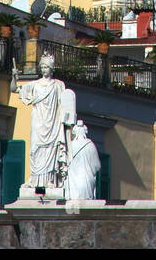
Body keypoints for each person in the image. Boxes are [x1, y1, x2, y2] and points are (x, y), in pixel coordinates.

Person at [15, 52, 67, 189]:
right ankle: (34, 180)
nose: (44, 70)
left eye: (47, 67)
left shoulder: (58, 85)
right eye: (42, 67)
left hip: (53, 123)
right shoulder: (34, 85)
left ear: (52, 69)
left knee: (51, 150)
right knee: (35, 150)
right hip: (38, 123)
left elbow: (66, 104)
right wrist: (14, 77)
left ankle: (50, 180)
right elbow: (14, 89)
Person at [65, 120, 101, 200]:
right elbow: (97, 166)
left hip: (73, 185)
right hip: (87, 182)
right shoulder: (91, 145)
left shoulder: (71, 146)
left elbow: (66, 164)